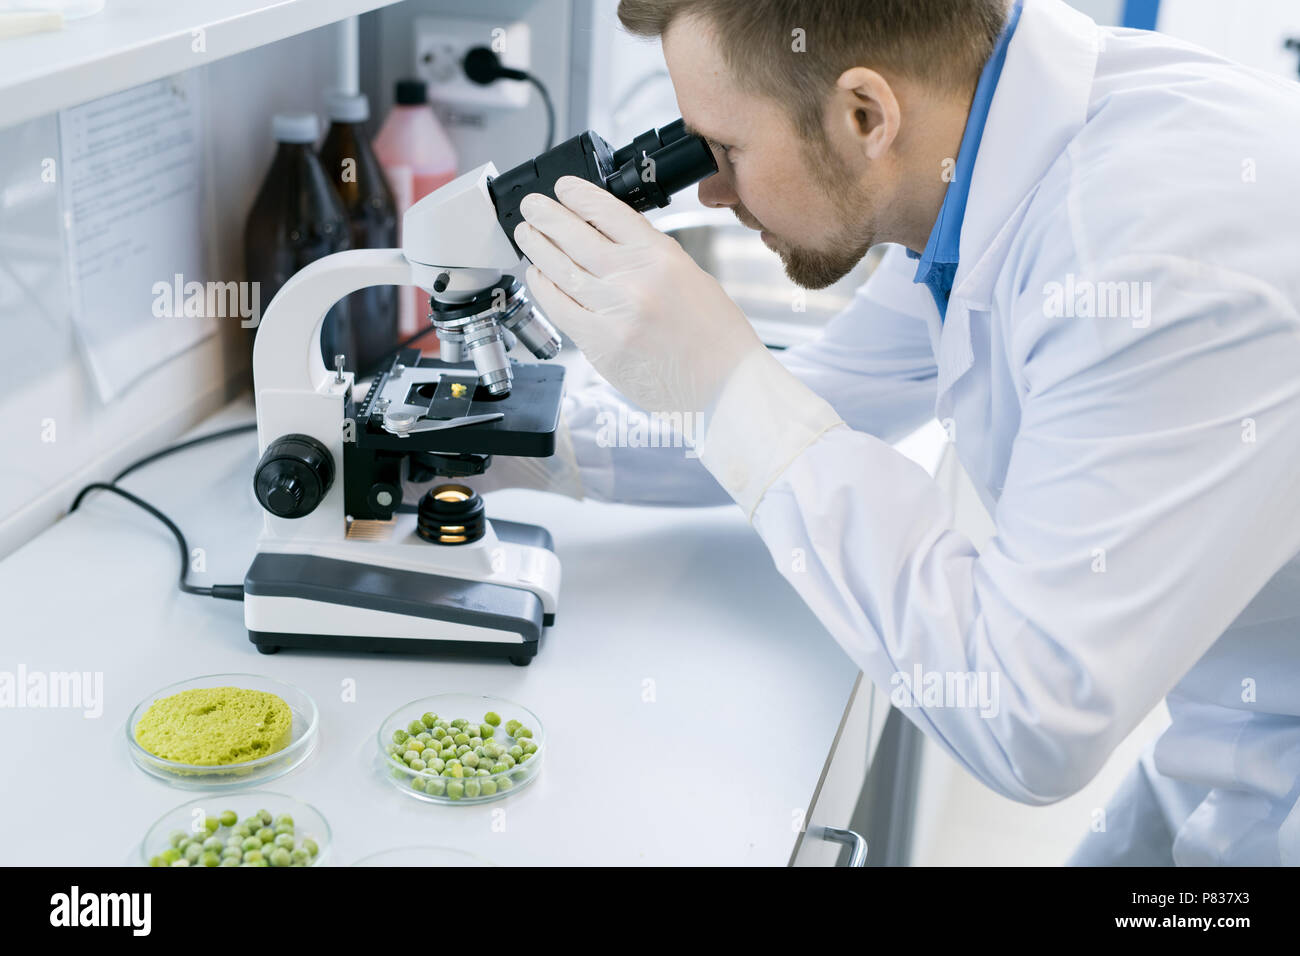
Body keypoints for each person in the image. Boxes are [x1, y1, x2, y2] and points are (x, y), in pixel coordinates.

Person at [464, 0, 1300, 864]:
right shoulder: (988, 152)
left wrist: (720, 382)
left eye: (729, 149)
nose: (709, 189)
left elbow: (1031, 716)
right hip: (1236, 740)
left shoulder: (1148, 258)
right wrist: (526, 443)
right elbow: (827, 392)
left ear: (866, 114)